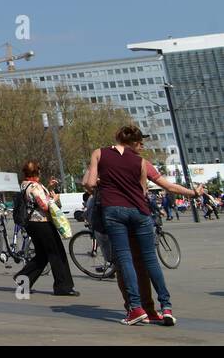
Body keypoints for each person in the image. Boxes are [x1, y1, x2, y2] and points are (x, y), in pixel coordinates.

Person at [83, 125, 202, 325]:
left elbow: (89, 183)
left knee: (125, 260)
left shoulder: (99, 153)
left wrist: (104, 182)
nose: (142, 147)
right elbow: (168, 186)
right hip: (140, 212)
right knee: (150, 261)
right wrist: (195, 193)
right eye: (141, 143)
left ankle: (136, 309)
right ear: (133, 143)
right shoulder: (141, 162)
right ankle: (166, 307)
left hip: (114, 212)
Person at [15, 160, 79, 299]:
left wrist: (47, 188)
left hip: (32, 224)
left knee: (42, 255)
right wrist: (54, 198)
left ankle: (23, 279)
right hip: (43, 223)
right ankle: (63, 286)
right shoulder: (35, 186)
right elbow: (44, 206)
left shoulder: (25, 185)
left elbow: (35, 201)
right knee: (57, 253)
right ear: (36, 172)